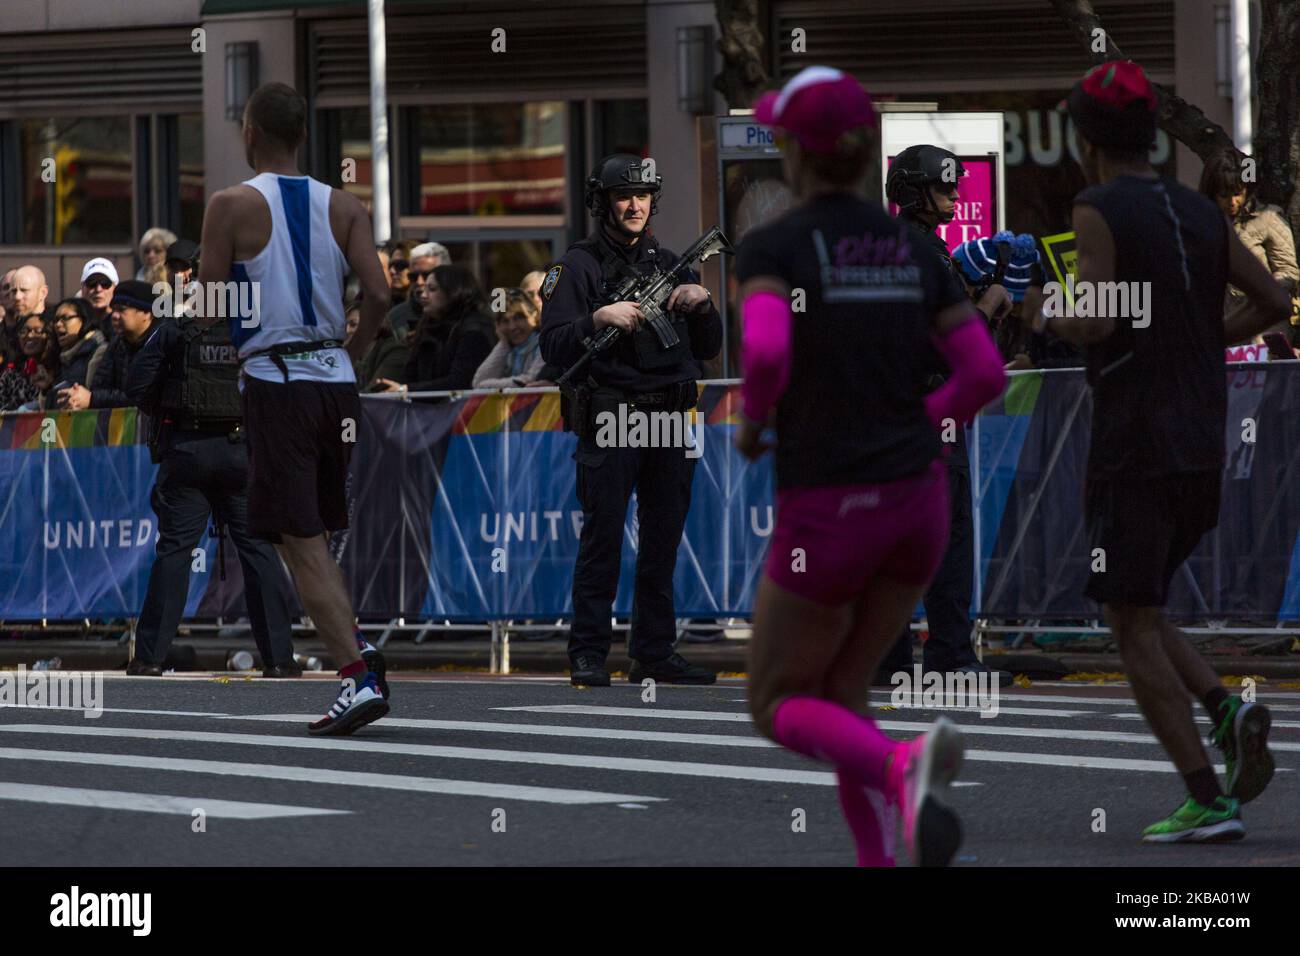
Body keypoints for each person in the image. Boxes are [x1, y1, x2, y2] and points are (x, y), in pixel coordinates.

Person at [734, 66, 1006, 867]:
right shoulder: (914, 250)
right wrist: (917, 427)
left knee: (777, 698)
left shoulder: (774, 245)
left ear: (791, 150)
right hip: (919, 503)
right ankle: (878, 857)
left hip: (832, 504)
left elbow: (765, 347)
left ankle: (902, 766)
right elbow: (985, 374)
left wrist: (753, 423)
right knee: (845, 692)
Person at [1035, 60, 1289, 842]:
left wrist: (1049, 311)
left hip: (1134, 444)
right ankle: (1226, 709)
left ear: (1088, 141)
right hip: (1200, 442)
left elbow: (1101, 315)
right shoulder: (1200, 210)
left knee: (1127, 619)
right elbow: (1277, 302)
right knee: (1138, 608)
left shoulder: (1097, 204)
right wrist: (1202, 340)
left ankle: (1207, 797)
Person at [196, 81, 391, 735]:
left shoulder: (229, 204)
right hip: (336, 380)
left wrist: (237, 356)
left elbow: (209, 309)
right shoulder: (345, 205)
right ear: (303, 135)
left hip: (276, 383)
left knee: (300, 542)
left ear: (250, 133)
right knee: (314, 535)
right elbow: (383, 293)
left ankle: (355, 676)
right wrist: (354, 351)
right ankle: (359, 652)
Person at [539, 152, 722, 687]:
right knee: (603, 539)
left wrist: (703, 302)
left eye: (642, 195)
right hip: (612, 414)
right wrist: (596, 317)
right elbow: (551, 344)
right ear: (603, 202)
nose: (635, 204)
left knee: (663, 541)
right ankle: (590, 653)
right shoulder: (576, 267)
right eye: (624, 195)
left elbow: (711, 348)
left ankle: (654, 651)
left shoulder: (672, 263)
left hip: (669, 416)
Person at [875, 144, 1014, 685]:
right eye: (944, 185)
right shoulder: (926, 257)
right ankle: (951, 656)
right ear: (913, 193)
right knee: (946, 541)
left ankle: (886, 660)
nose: (956, 193)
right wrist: (988, 305)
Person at [122, 283, 300, 679]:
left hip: (188, 451)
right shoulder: (255, 330)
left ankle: (150, 657)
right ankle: (280, 659)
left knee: (175, 551)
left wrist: (166, 402)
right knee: (258, 550)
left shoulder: (176, 328)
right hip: (241, 451)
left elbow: (135, 385)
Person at [1198, 148, 1300, 347]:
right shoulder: (1200, 224)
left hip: (1263, 331)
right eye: (1224, 194)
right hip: (1218, 328)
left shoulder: (1268, 219)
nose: (1232, 202)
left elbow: (1288, 272)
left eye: (1238, 193)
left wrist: (1259, 290)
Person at [374, 264, 494, 395]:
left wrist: (406, 390)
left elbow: (460, 382)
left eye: (432, 289)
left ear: (454, 292)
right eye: (423, 289)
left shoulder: (474, 329)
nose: (423, 295)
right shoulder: (428, 325)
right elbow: (410, 374)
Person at [57, 281, 155, 411]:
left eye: (122, 310)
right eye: (113, 309)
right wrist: (79, 397)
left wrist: (92, 399)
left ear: (147, 313)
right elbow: (100, 386)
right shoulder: (117, 344)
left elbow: (143, 397)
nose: (114, 316)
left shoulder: (160, 344)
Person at [472, 288, 545, 388]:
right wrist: (503, 344)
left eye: (518, 318)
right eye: (505, 321)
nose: (512, 327)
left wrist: (486, 385)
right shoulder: (507, 348)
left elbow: (530, 380)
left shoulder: (544, 344)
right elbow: (478, 382)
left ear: (534, 316)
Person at [385, 241, 449, 342]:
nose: (419, 282)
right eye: (413, 276)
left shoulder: (463, 317)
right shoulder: (395, 317)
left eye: (427, 275)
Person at [0, 314, 57, 411]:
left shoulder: (59, 368)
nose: (29, 335)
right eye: (23, 331)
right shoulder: (11, 374)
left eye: (38, 331)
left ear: (49, 335)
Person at [50, 297, 108, 387]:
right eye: (56, 320)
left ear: (84, 319)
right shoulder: (62, 355)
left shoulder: (98, 351)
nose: (58, 324)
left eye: (65, 318)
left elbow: (94, 395)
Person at [79, 258, 119, 339]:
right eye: (92, 283)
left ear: (115, 288)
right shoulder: (74, 327)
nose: (98, 289)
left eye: (105, 283)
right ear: (82, 288)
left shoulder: (121, 327)